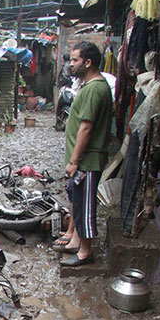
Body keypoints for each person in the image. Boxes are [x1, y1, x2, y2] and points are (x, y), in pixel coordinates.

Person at [53, 41, 113, 267]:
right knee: (78, 203)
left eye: (75, 60)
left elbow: (86, 127)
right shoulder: (90, 86)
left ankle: (85, 253)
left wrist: (74, 160)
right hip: (84, 160)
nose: (70, 64)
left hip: (87, 160)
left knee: (86, 207)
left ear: (88, 62)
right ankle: (78, 244)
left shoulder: (95, 89)